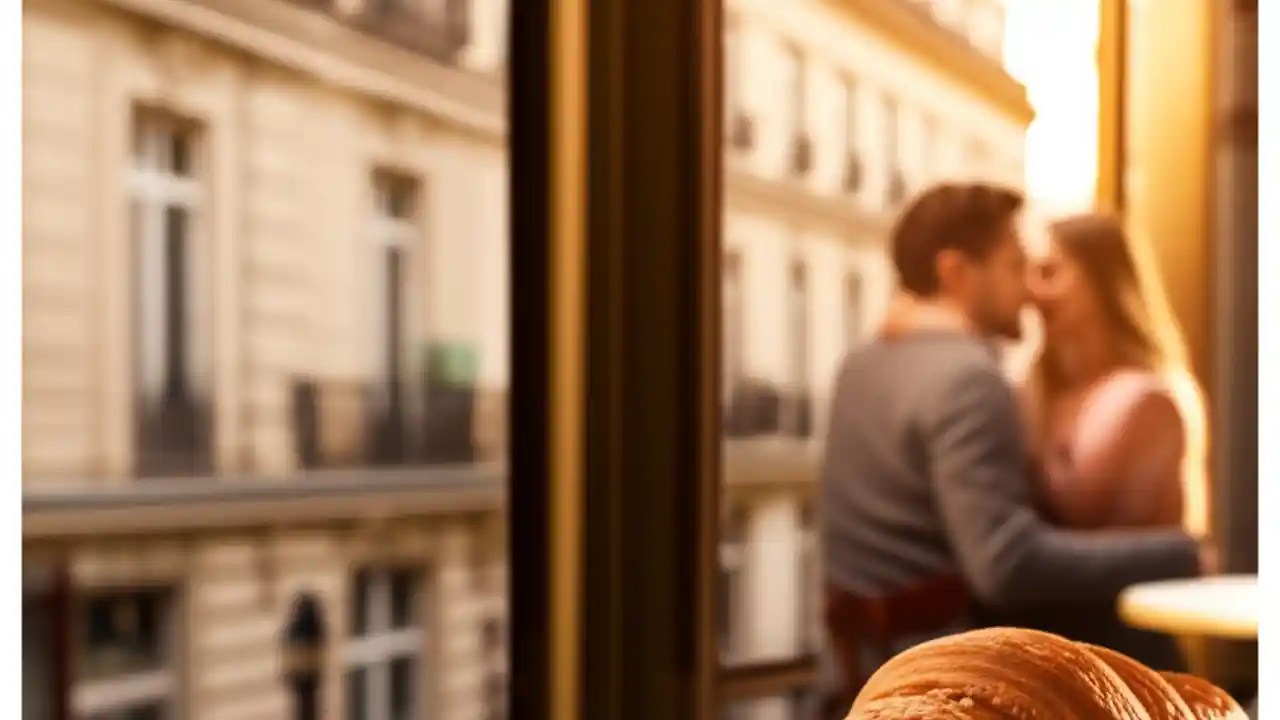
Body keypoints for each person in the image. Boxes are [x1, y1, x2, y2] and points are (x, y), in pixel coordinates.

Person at [819, 183, 1214, 711]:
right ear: (956, 272)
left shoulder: (863, 363)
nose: (1028, 292)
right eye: (1013, 266)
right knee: (1144, 659)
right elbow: (1005, 566)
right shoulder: (968, 377)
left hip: (867, 668)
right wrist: (1184, 551)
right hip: (947, 671)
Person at [1024, 213, 1208, 534]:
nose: (1032, 293)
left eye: (1049, 272)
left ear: (1102, 279)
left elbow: (1096, 523)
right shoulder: (1035, 388)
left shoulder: (1146, 399)